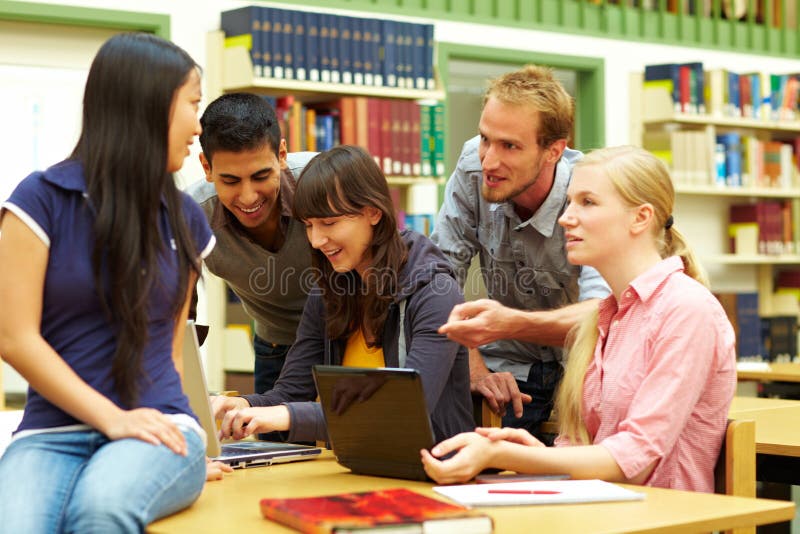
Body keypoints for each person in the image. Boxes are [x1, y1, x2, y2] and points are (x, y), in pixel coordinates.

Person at [0, 33, 221, 532]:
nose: (198, 126)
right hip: (50, 431)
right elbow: (13, 338)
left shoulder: (185, 218)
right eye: (192, 104)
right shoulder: (39, 200)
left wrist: (181, 461)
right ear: (149, 104)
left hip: (161, 424)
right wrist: (112, 418)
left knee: (101, 509)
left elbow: (170, 352)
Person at [421, 145, 737, 492]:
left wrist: (504, 455)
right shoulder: (607, 316)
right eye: (570, 201)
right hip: (601, 513)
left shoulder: (686, 309)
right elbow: (587, 448)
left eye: (588, 202)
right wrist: (532, 453)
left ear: (640, 218)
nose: (565, 217)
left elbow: (634, 463)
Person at [212, 145, 474, 444]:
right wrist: (245, 406)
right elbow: (290, 392)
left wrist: (285, 415)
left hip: (430, 471)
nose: (316, 240)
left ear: (373, 212)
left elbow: (404, 412)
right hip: (354, 467)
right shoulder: (329, 289)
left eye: (329, 223)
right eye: (309, 225)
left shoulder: (435, 292)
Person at [430, 65, 609, 438]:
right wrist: (473, 363)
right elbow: (439, 275)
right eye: (484, 138)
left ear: (553, 151)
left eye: (509, 146)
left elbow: (601, 316)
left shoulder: (593, 190)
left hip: (587, 367)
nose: (489, 161)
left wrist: (507, 323)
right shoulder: (473, 165)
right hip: (508, 367)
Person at [188, 93, 316, 397]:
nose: (248, 197)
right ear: (206, 166)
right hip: (277, 344)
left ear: (282, 154)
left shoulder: (322, 181)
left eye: (261, 176)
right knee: (277, 445)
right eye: (230, 181)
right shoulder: (191, 215)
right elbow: (175, 319)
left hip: (349, 338)